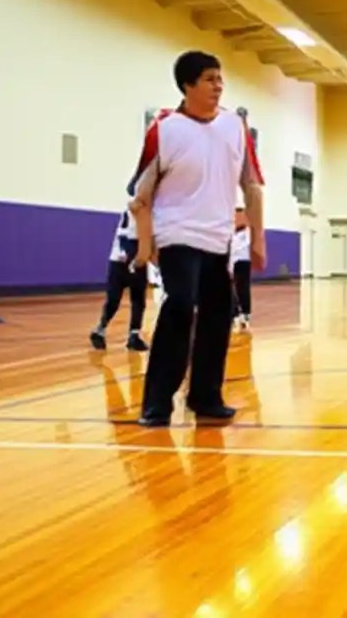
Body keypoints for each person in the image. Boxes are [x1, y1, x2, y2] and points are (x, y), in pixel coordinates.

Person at [128, 50, 266, 427]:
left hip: (217, 238)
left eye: (220, 78)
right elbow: (142, 192)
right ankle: (156, 403)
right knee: (180, 306)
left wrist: (258, 239)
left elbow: (252, 186)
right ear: (187, 86)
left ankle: (205, 397)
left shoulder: (235, 127)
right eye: (209, 79)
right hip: (176, 234)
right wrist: (146, 245)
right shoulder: (165, 128)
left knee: (219, 315)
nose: (218, 86)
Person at [88, 207, 149, 352]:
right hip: (123, 260)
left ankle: (133, 335)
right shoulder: (136, 211)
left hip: (133, 259)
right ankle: (100, 330)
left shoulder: (144, 211)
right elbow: (128, 239)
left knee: (137, 300)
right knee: (116, 299)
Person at [231, 207, 252, 331]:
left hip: (243, 261)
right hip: (231, 262)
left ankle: (245, 313)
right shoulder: (230, 233)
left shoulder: (247, 232)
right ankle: (234, 314)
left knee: (243, 287)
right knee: (229, 288)